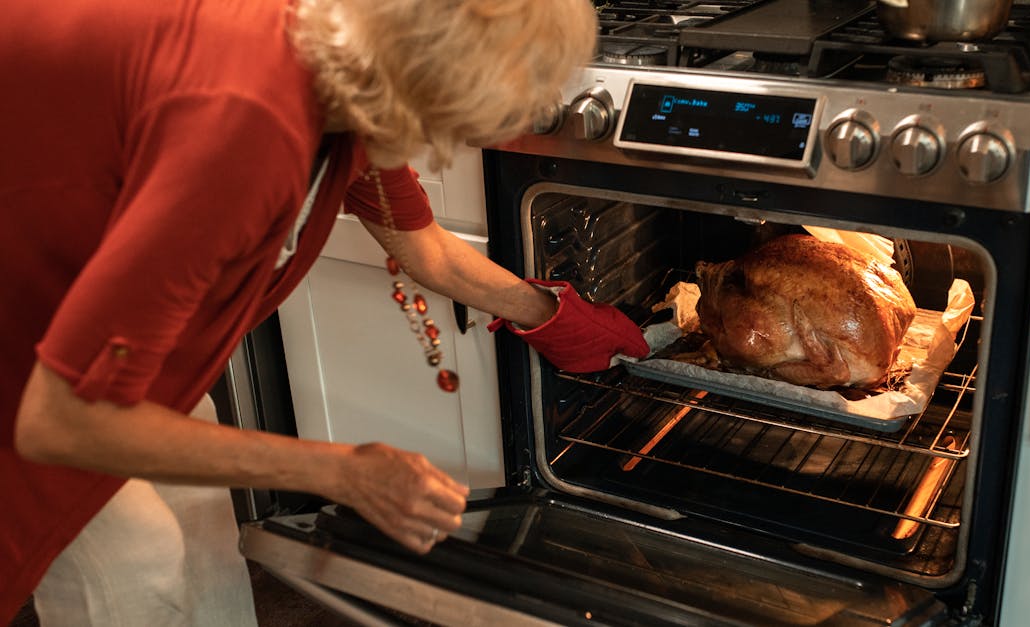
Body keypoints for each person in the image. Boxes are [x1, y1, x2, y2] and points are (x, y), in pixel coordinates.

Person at [0, 0, 649, 624]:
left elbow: (424, 248)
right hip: (32, 340)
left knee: (197, 520)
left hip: (101, 306)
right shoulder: (247, 121)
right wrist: (339, 470)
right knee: (139, 562)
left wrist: (554, 315)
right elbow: (63, 422)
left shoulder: (348, 72)